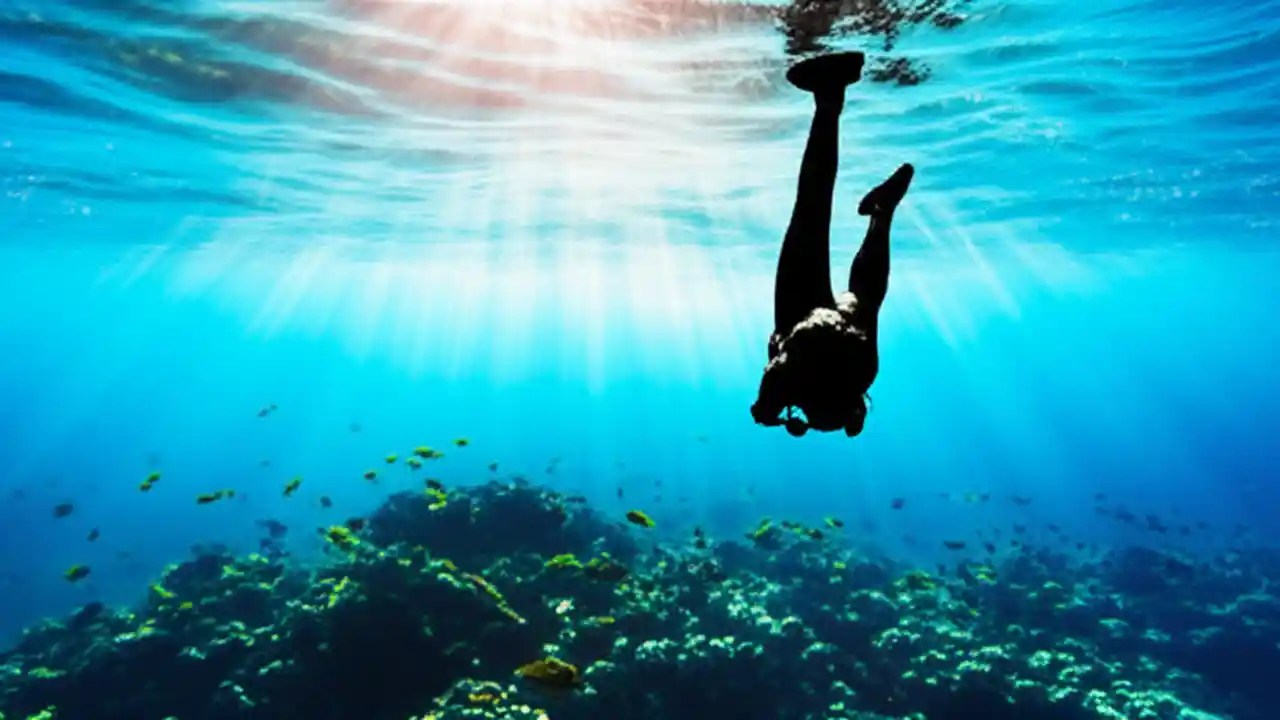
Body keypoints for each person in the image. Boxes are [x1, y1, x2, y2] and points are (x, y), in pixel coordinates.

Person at [750, 51, 914, 438]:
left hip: (848, 342)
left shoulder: (863, 374)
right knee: (812, 205)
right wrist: (766, 408)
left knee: (865, 296)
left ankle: (882, 213)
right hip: (802, 320)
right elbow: (771, 387)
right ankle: (830, 93)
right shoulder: (792, 384)